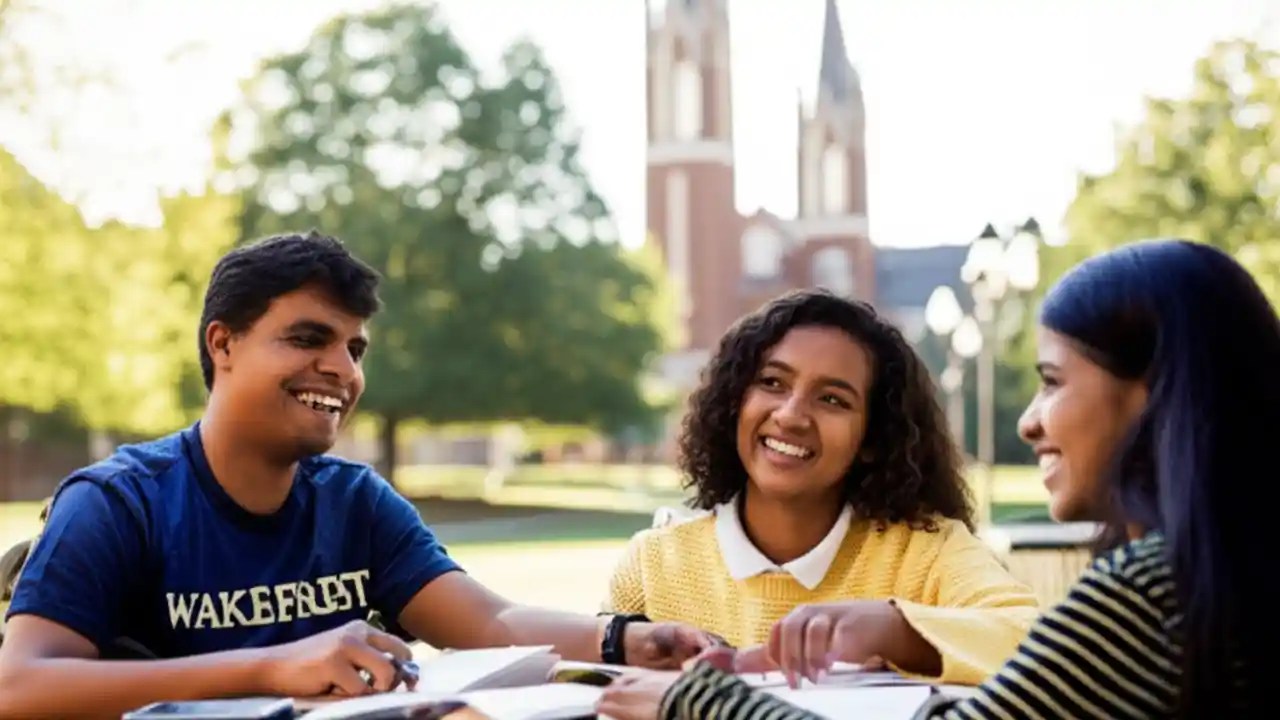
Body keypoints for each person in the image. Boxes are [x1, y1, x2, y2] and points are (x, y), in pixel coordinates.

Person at [0, 232, 715, 719]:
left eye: (355, 347)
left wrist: (625, 640)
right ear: (223, 344)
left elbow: (487, 621)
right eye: (308, 338)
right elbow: (22, 685)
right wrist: (272, 668)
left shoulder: (354, 501)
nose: (343, 370)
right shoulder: (119, 501)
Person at [597, 238, 1274, 720]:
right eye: (770, 383)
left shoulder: (1152, 593)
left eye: (1051, 383)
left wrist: (700, 700)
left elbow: (1020, 644)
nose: (1028, 423)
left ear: (1153, 396)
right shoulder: (1219, 577)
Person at [602, 289, 1040, 687]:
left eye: (832, 399)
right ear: (736, 402)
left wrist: (893, 630)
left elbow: (1038, 646)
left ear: (872, 439)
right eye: (772, 382)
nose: (791, 415)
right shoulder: (653, 564)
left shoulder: (928, 553)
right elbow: (592, 693)